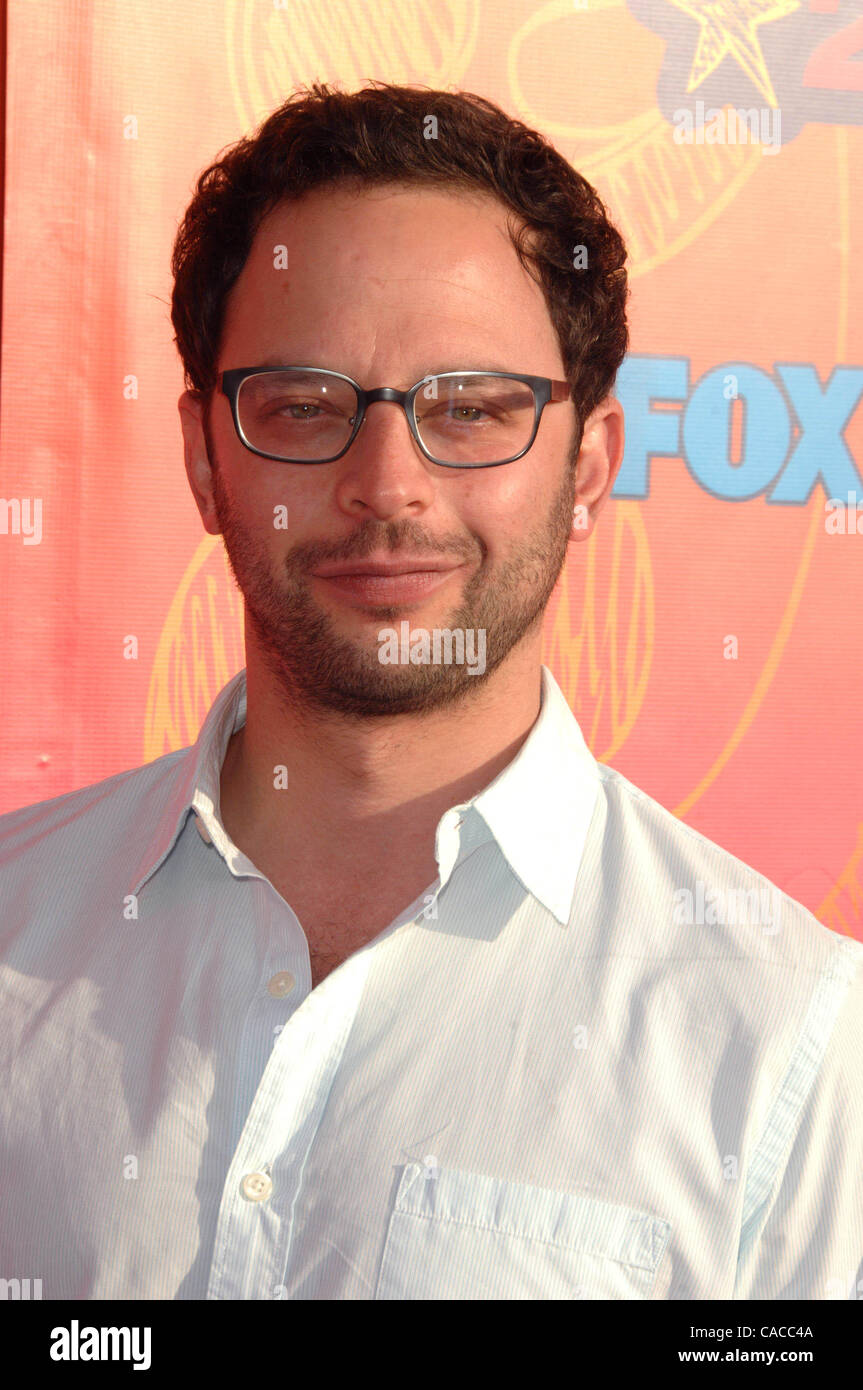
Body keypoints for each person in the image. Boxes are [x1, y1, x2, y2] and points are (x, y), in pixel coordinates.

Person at [0, 81, 860, 1302]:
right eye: (302, 408)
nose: (387, 484)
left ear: (589, 467)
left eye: (470, 409)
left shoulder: (787, 1041)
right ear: (203, 461)